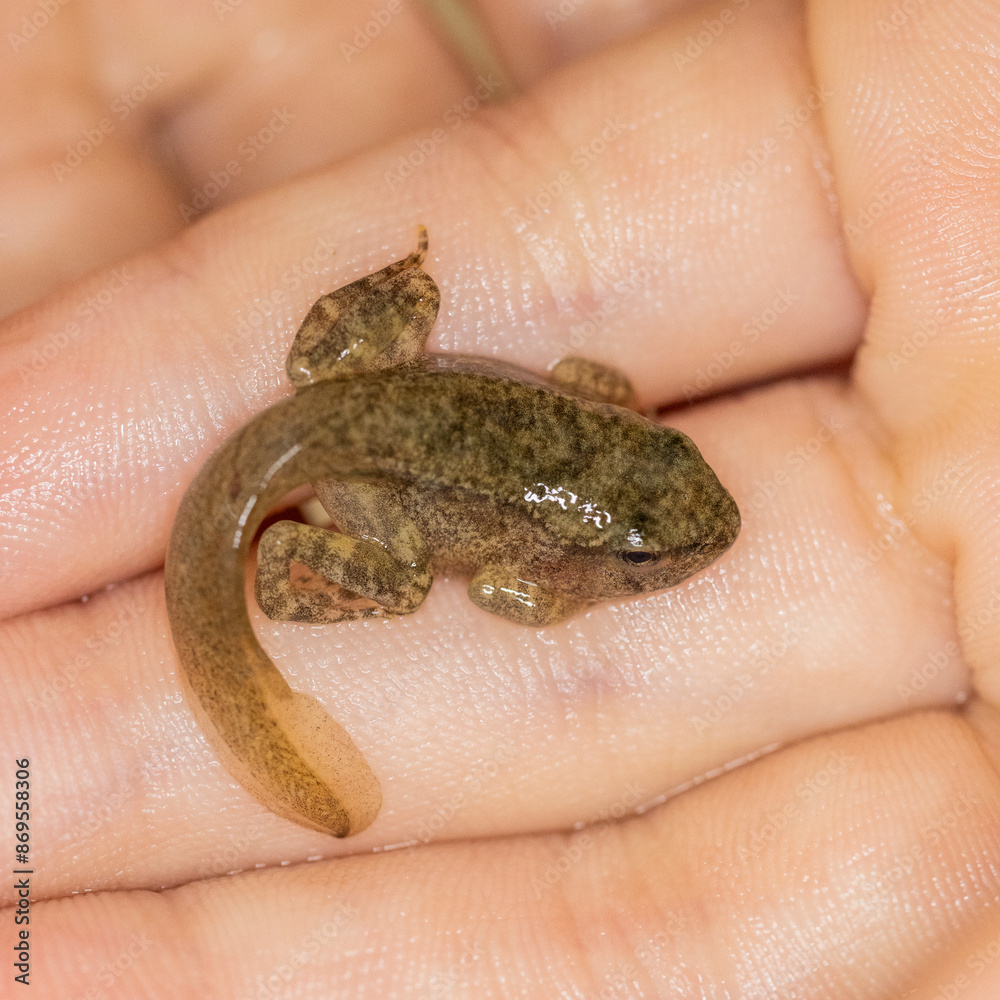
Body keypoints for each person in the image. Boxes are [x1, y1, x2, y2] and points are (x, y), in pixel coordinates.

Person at [2, 0, 998, 995]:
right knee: (403, 582)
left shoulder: (604, 415)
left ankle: (351, 407)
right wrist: (573, 592)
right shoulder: (548, 549)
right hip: (364, 466)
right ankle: (286, 567)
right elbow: (496, 590)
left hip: (344, 389)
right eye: (642, 556)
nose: (672, 555)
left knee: (408, 328)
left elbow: (586, 375)